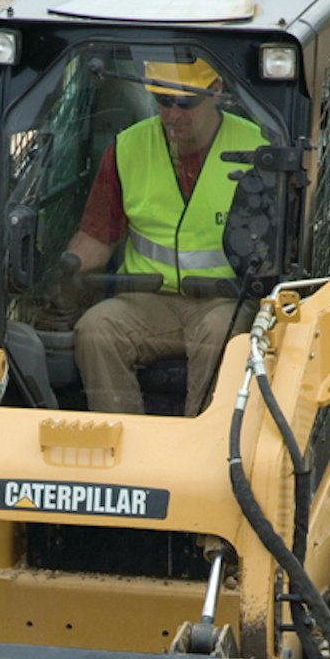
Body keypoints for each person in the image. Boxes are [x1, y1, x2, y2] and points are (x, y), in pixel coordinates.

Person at [65, 57, 267, 416]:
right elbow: (96, 237)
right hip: (145, 301)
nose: (173, 113)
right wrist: (62, 274)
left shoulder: (257, 149)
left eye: (185, 101)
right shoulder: (128, 148)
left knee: (222, 337)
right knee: (95, 330)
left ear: (215, 91)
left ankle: (200, 444)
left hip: (224, 302)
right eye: (162, 100)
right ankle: (124, 444)